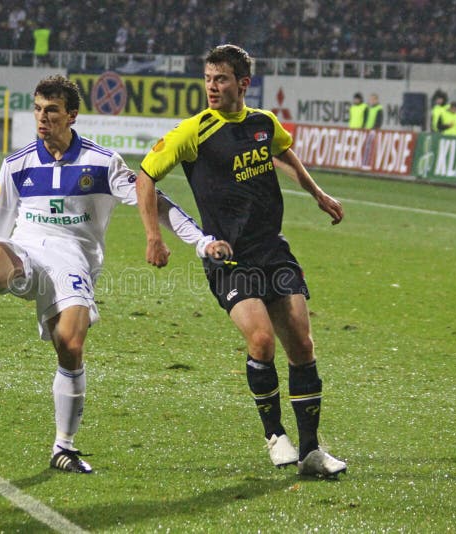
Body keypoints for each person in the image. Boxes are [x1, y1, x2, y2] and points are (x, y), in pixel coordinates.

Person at [0, 75, 210, 474]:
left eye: (51, 110)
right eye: (37, 109)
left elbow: (151, 197)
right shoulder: (16, 165)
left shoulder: (102, 162)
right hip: (25, 249)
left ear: (72, 115)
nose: (42, 118)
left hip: (72, 260)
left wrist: (199, 240)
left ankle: (63, 448)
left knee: (70, 344)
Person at [135, 44, 347, 478]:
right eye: (208, 79)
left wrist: (318, 193)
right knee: (262, 341)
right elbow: (145, 176)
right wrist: (153, 236)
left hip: (272, 249)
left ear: (243, 83)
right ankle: (275, 435)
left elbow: (282, 152)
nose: (212, 87)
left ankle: (311, 451)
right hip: (228, 257)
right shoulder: (193, 131)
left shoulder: (263, 123)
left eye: (221, 79)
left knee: (303, 347)